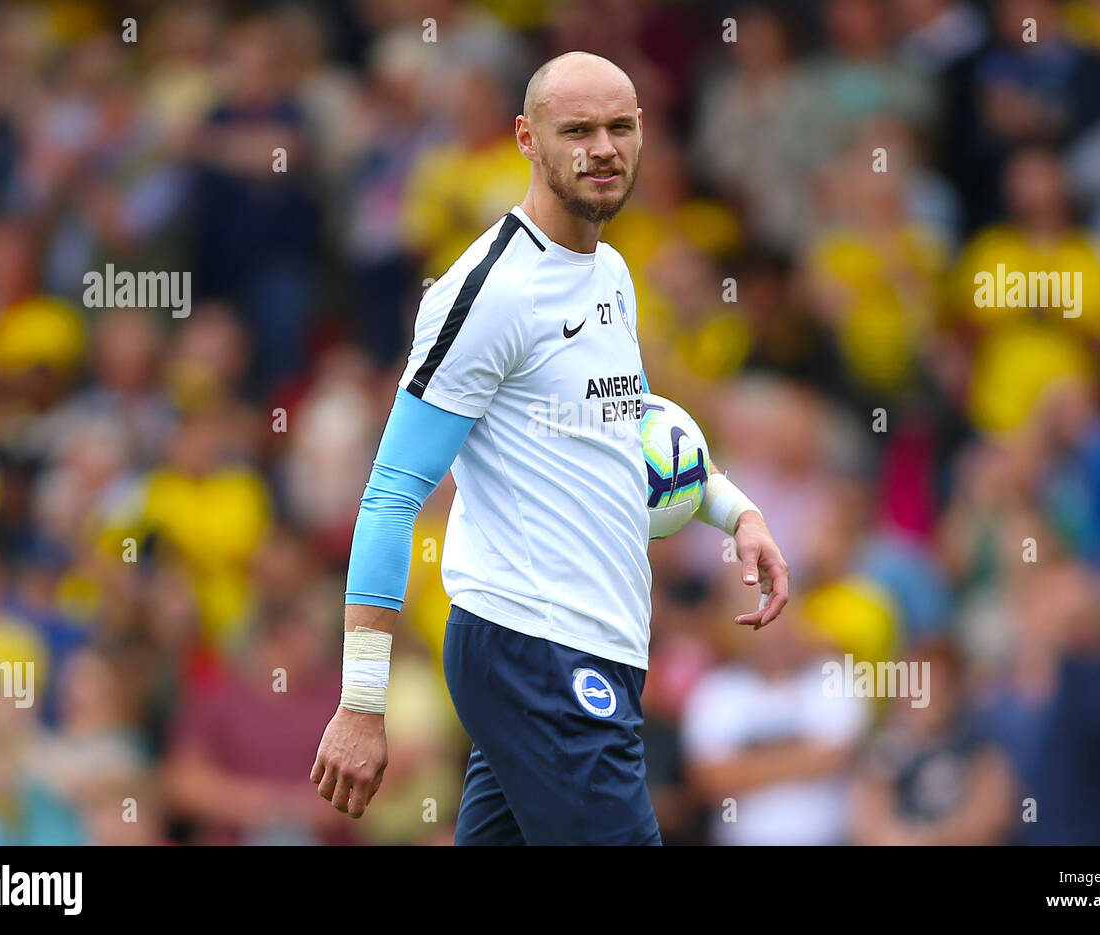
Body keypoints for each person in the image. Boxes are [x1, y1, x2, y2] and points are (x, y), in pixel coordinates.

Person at [309, 51, 789, 845]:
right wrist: (362, 702)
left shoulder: (611, 274)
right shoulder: (491, 291)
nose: (603, 147)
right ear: (527, 139)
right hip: (539, 650)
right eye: (579, 130)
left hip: (588, 644)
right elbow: (391, 494)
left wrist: (735, 511)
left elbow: (626, 431)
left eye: (620, 127)